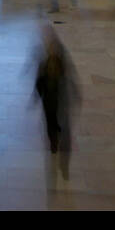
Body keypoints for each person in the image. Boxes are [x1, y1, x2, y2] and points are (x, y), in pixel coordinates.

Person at [34, 26, 79, 181]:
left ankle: (61, 158)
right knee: (52, 125)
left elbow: (69, 80)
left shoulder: (59, 61)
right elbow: (39, 83)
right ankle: (54, 143)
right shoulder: (45, 62)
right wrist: (36, 97)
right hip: (51, 102)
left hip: (57, 101)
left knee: (56, 126)